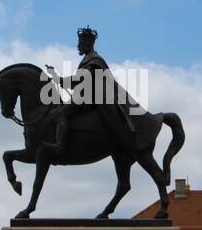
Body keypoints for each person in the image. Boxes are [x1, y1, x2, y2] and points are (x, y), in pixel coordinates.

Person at [44, 26, 139, 154]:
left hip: (90, 98)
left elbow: (81, 79)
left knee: (61, 113)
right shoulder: (88, 59)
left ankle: (59, 145)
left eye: (81, 43)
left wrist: (58, 78)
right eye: (79, 42)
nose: (78, 45)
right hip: (83, 96)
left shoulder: (95, 60)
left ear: (88, 43)